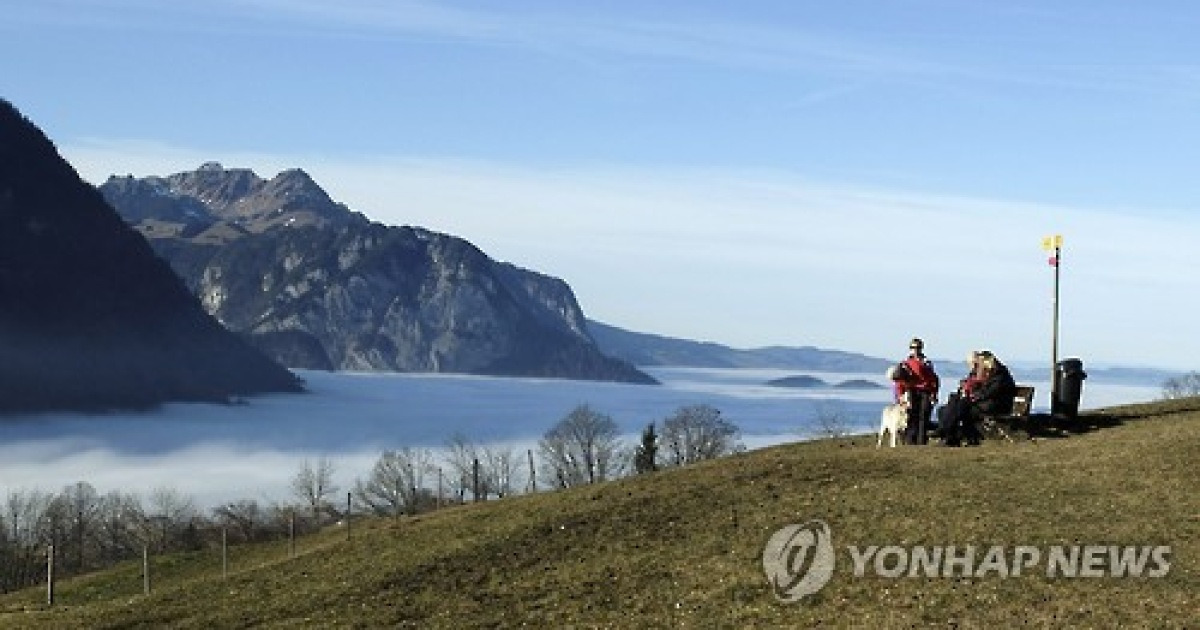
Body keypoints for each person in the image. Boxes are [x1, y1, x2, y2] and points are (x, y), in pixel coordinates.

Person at [942, 350, 1017, 446]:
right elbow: (983, 391)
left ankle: (950, 435)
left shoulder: (999, 375)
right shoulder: (990, 373)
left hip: (996, 406)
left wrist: (972, 396)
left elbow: (990, 392)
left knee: (962, 408)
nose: (979, 365)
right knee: (957, 402)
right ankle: (954, 436)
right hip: (986, 403)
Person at [900, 337, 939, 445]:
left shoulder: (927, 363)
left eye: (918, 347)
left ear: (921, 348)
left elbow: (933, 379)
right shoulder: (906, 363)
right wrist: (901, 396)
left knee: (924, 416)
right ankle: (910, 441)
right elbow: (900, 381)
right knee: (912, 416)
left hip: (926, 391)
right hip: (912, 390)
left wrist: (934, 393)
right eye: (913, 347)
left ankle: (921, 441)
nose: (915, 350)